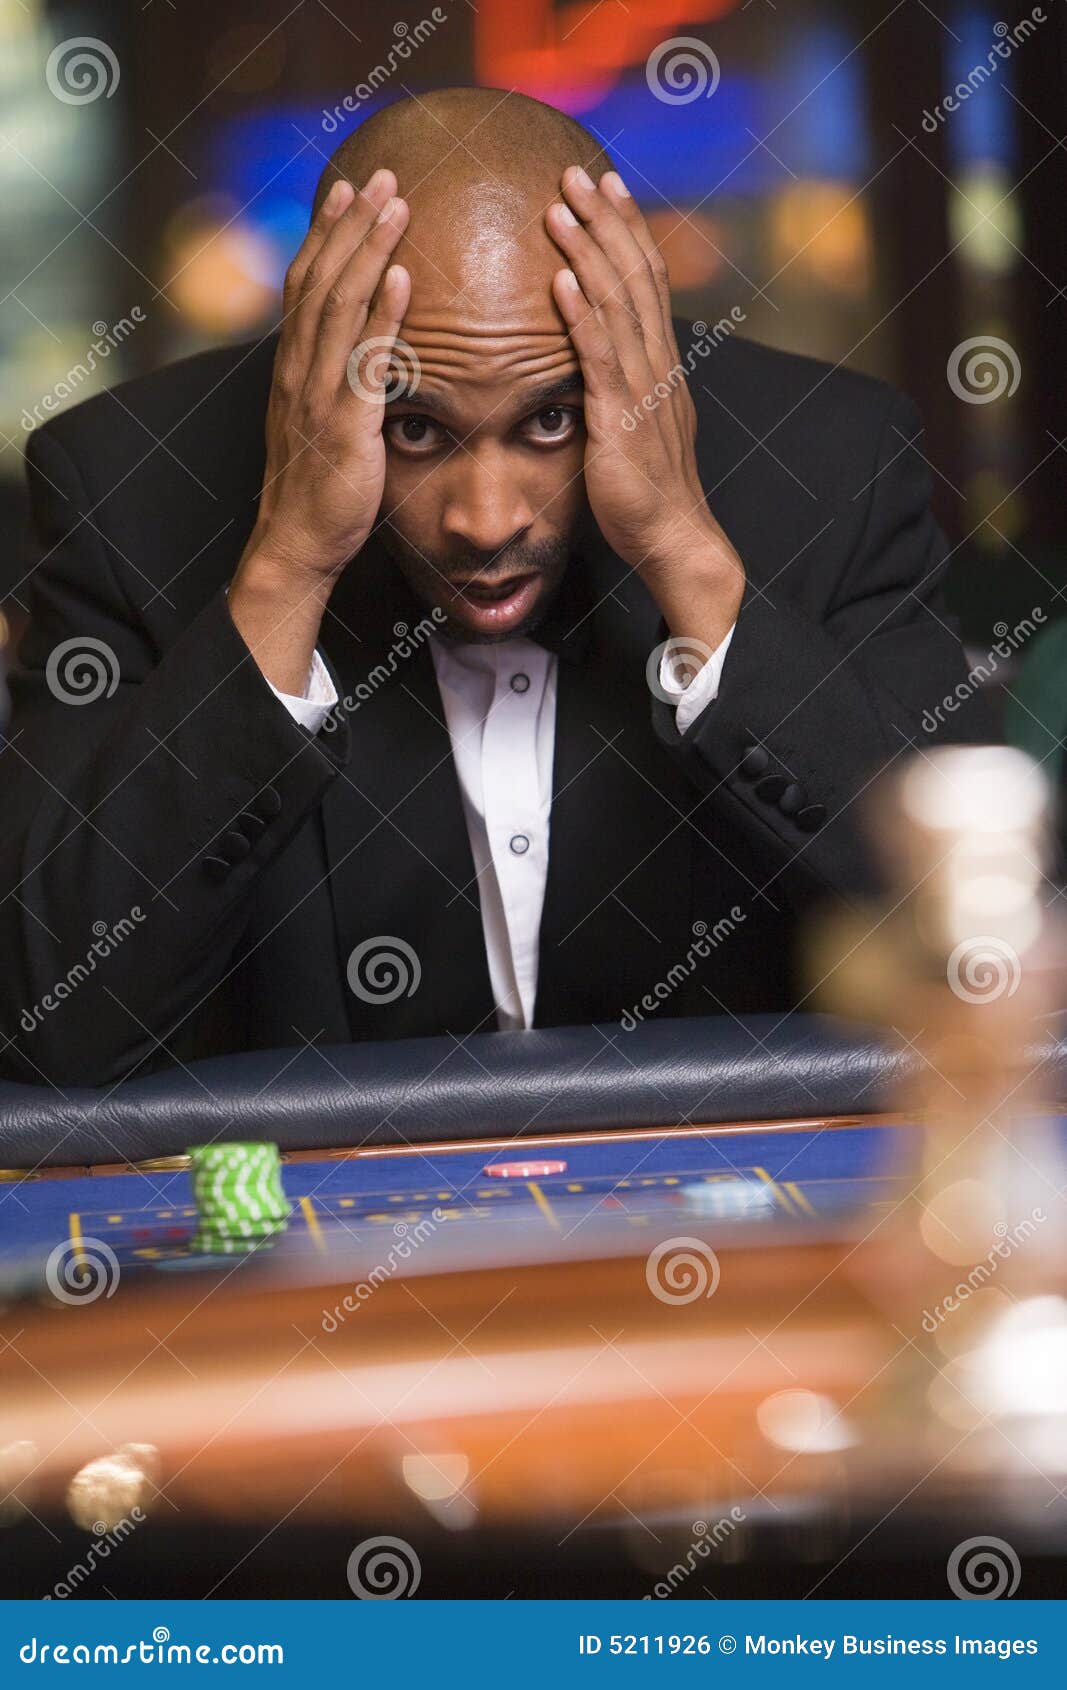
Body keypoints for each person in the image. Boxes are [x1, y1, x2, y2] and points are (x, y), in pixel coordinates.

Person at [0, 88, 988, 1089]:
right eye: (414, 427)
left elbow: (975, 944)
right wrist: (286, 566)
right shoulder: (127, 490)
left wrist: (685, 551)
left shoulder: (830, 465)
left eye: (549, 420)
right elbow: (54, 1027)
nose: (485, 519)